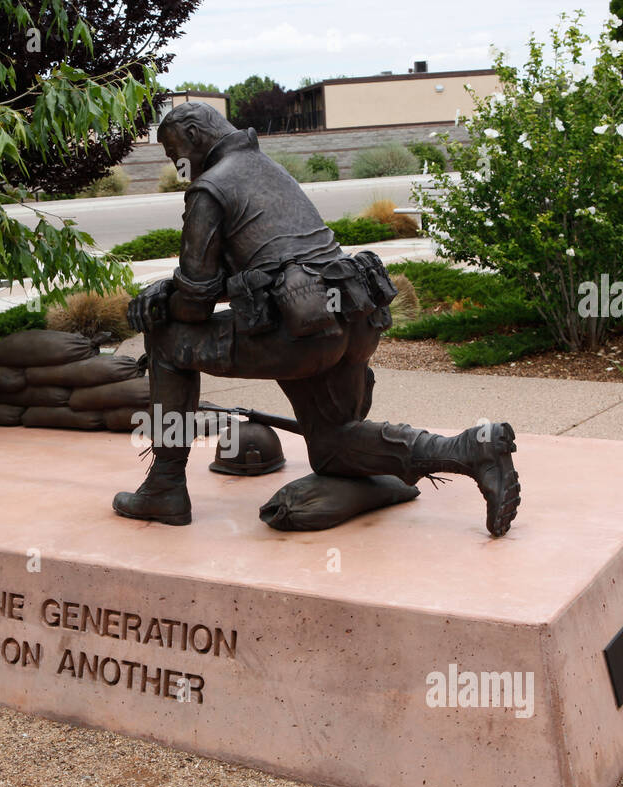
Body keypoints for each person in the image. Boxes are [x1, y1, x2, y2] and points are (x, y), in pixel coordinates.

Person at [113, 103, 520, 536]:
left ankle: (165, 486)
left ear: (194, 135)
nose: (178, 167)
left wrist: (160, 299)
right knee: (332, 448)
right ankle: (469, 449)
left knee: (167, 342)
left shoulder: (210, 188)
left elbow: (194, 306)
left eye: (175, 152)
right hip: (349, 321)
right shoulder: (267, 168)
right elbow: (261, 265)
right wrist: (170, 288)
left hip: (299, 334)